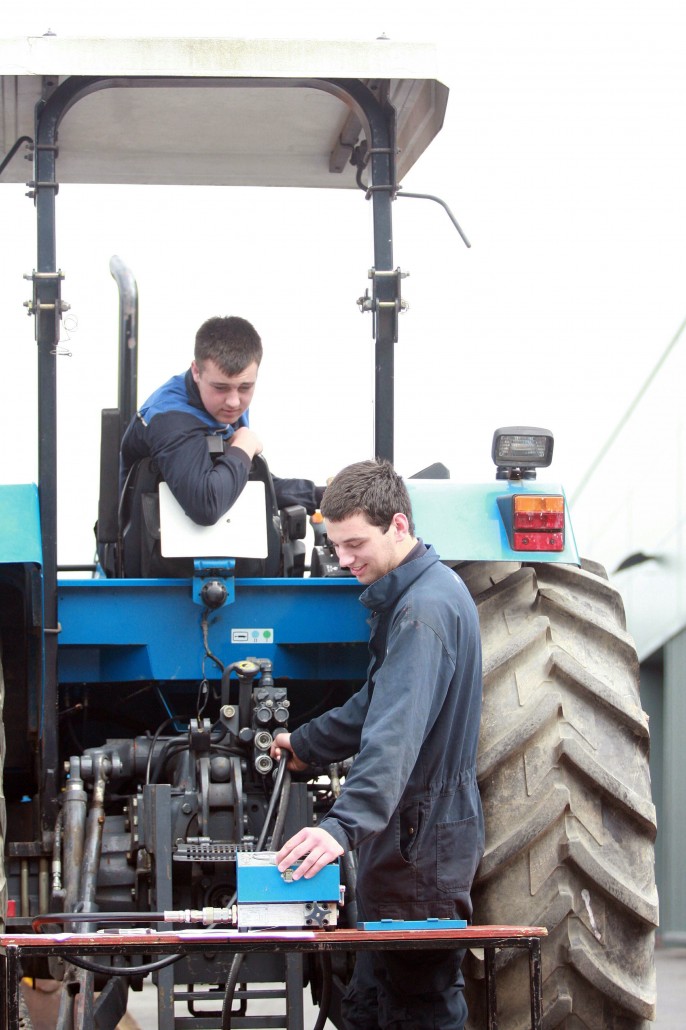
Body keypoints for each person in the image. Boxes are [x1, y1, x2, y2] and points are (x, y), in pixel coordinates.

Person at [270, 458, 484, 1030]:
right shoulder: (416, 598)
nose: (343, 560)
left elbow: (393, 736)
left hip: (422, 844)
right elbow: (375, 703)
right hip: (409, 839)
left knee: (420, 1006)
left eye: (355, 543)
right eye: (335, 545)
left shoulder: (424, 612)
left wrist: (339, 828)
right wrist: (307, 743)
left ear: (398, 525)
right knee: (372, 1002)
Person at [120, 315, 324, 525]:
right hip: (147, 546)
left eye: (245, 387)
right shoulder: (170, 419)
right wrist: (244, 445)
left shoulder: (223, 406)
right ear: (197, 371)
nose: (234, 402)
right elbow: (206, 506)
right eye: (221, 387)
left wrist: (319, 497)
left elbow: (243, 480)